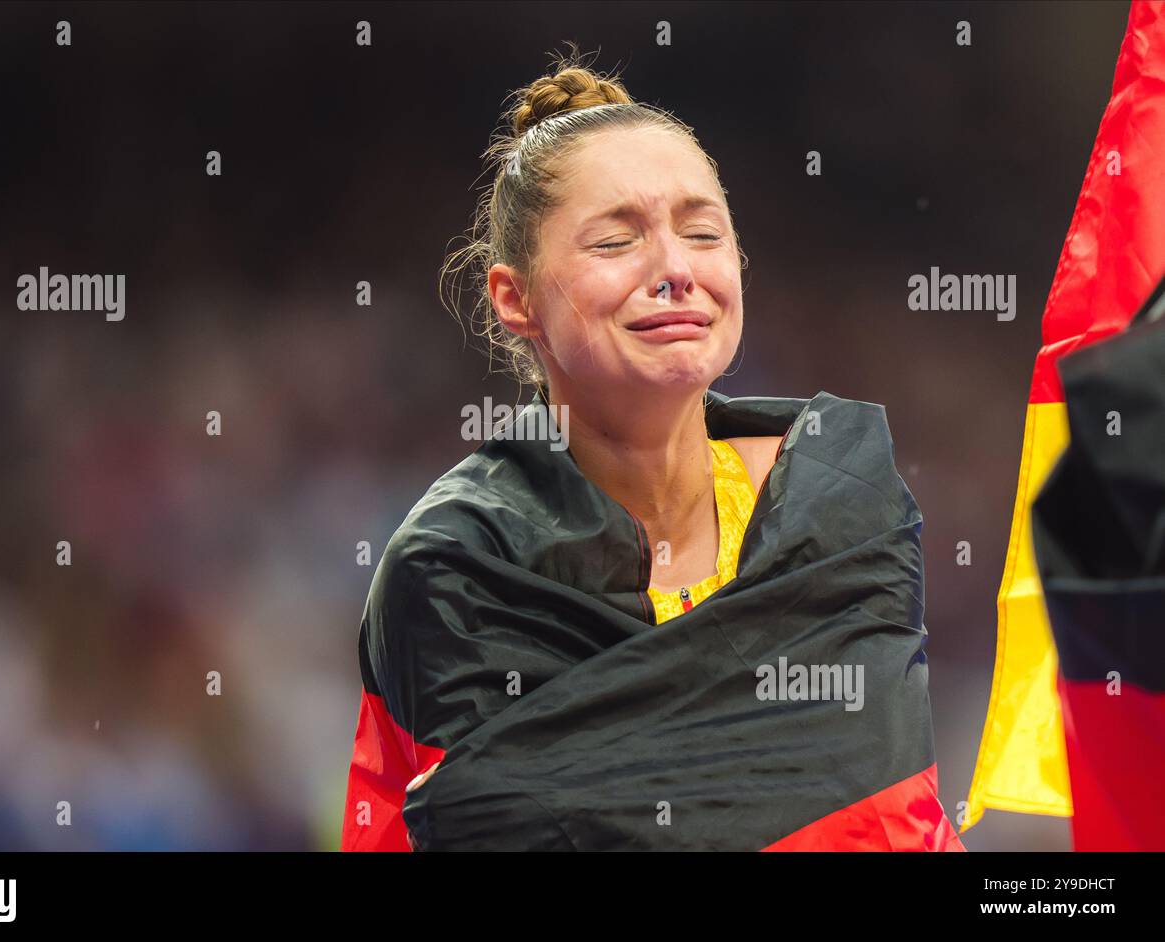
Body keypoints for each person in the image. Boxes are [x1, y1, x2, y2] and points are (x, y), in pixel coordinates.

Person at [341, 48, 962, 852]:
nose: (675, 269)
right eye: (614, 243)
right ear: (515, 299)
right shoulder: (459, 570)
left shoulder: (845, 500)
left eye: (703, 232)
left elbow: (897, 817)